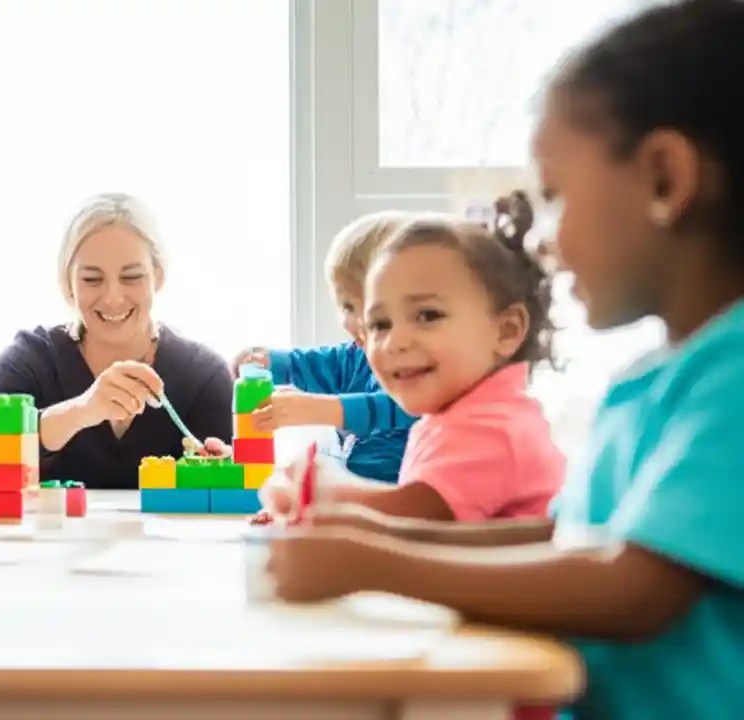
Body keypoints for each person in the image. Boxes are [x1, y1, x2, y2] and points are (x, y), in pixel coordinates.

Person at [268, 2, 744, 718]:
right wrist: (388, 530)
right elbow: (575, 535)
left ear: (664, 180)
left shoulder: (732, 379)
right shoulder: (663, 379)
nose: (543, 241)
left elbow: (634, 588)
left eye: (554, 198)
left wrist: (381, 563)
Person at [262, 195, 564, 523]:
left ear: (505, 330)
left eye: (427, 315)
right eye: (379, 324)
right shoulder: (458, 416)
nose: (395, 341)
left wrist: (323, 490)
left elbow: (413, 518)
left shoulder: (494, 428)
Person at [0, 193, 233, 489]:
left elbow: (233, 499)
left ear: (157, 277)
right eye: (92, 280)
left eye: (132, 277)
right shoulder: (32, 360)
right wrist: (81, 411)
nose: (112, 298)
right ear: (67, 284)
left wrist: (231, 473)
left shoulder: (202, 374)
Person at [233, 211, 417, 484]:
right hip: (353, 487)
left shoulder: (417, 365)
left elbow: (397, 406)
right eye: (346, 307)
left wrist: (321, 409)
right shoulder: (355, 356)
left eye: (366, 307)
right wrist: (270, 361)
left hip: (398, 494)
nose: (354, 321)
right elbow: (317, 364)